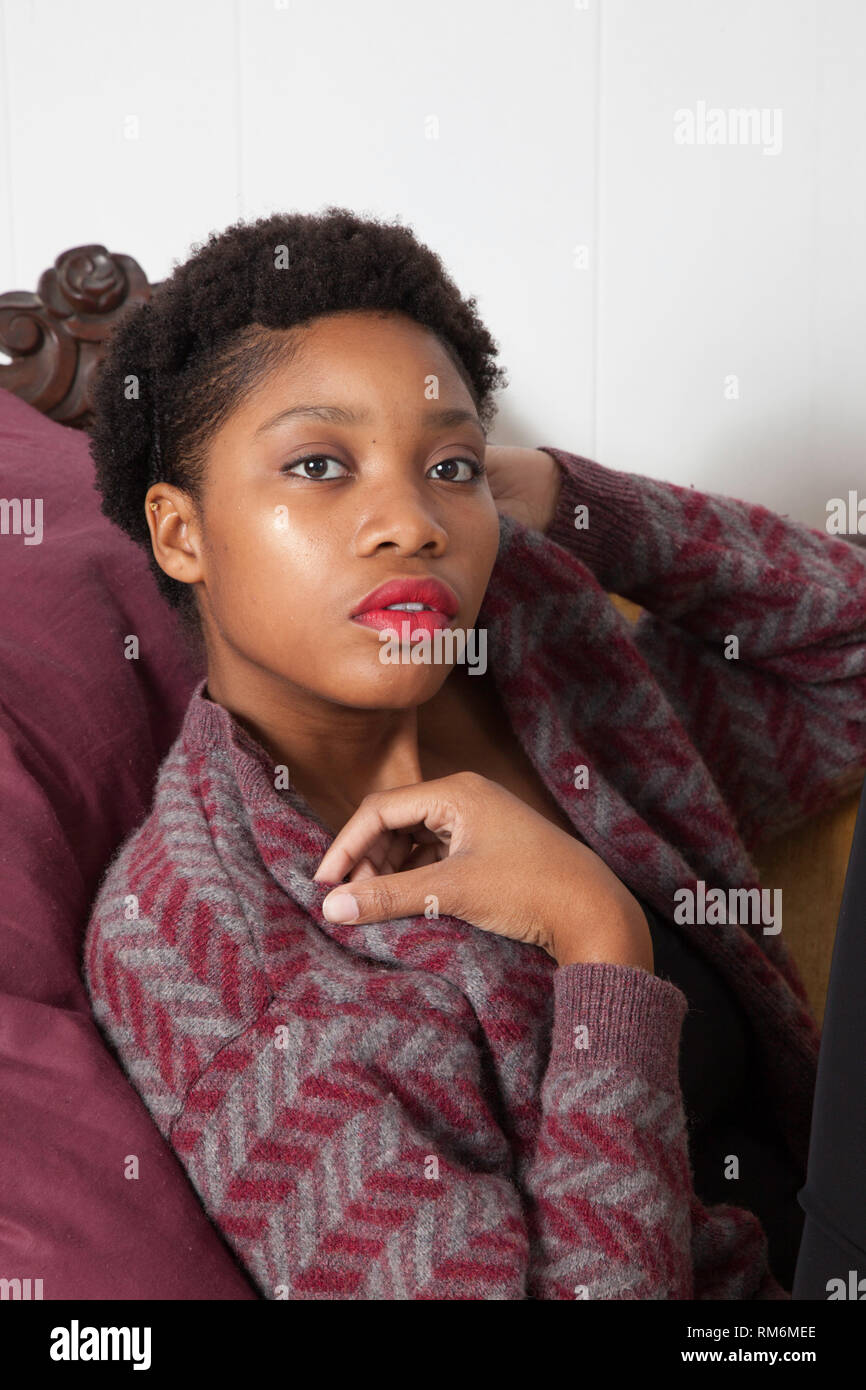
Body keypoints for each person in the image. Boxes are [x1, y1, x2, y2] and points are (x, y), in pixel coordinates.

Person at [83, 207, 866, 1299]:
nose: (409, 520)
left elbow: (846, 656)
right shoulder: (198, 947)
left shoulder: (538, 661)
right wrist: (598, 940)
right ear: (180, 533)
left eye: (447, 465)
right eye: (319, 463)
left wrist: (578, 508)